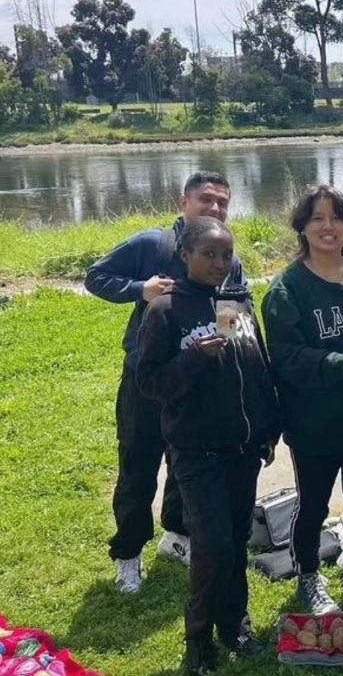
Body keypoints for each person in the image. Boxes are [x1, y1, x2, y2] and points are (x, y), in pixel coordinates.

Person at [84, 171, 244, 594]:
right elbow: (95, 277)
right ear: (183, 202)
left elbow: (236, 307)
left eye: (222, 203)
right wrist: (141, 288)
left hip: (199, 380)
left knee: (184, 461)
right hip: (148, 377)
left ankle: (176, 536)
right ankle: (129, 553)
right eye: (205, 200)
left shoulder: (228, 256)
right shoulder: (150, 244)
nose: (214, 208)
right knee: (139, 464)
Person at [135, 217, 279, 675]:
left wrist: (267, 430)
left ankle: (233, 621)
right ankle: (198, 637)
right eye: (208, 254)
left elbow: (260, 371)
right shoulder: (166, 310)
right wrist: (193, 359)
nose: (219, 263)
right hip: (196, 452)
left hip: (243, 449)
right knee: (212, 545)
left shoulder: (240, 303)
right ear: (185, 256)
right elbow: (149, 382)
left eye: (226, 254)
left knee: (236, 540)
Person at [262, 185, 343, 615]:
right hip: (314, 421)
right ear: (302, 226)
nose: (327, 226)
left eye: (336, 217)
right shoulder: (287, 289)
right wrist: (339, 363)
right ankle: (308, 577)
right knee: (313, 502)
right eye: (317, 217)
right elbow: (284, 358)